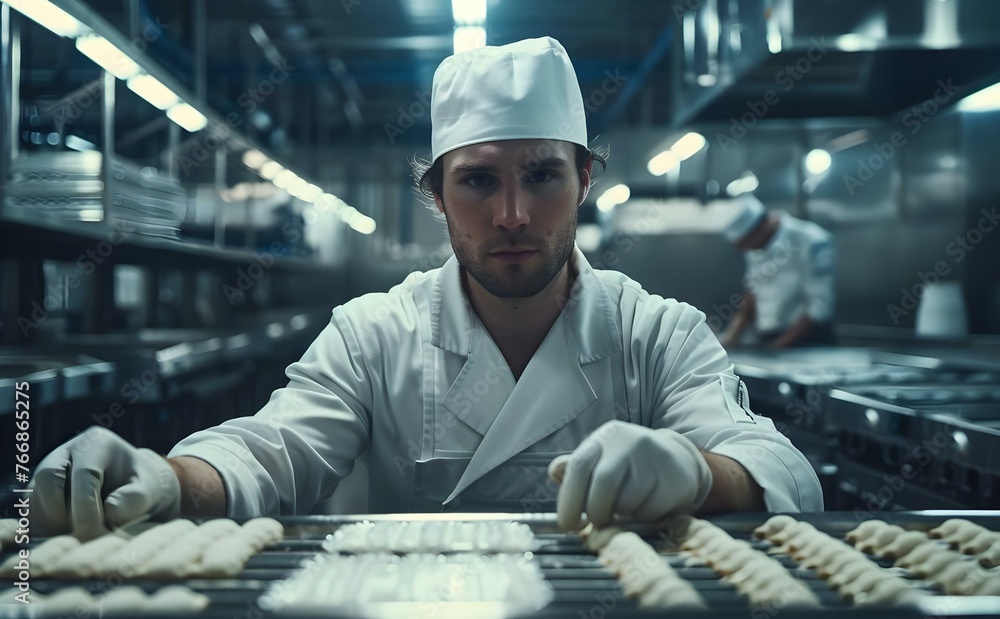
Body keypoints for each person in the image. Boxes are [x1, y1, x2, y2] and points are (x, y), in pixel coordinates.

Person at [32, 37, 823, 541]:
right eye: (479, 181)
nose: (513, 214)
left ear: (583, 180)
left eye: (542, 175)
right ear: (438, 194)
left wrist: (698, 470)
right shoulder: (374, 332)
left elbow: (782, 471)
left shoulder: (657, 332)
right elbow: (271, 451)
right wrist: (168, 478)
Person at [719, 195, 836, 349]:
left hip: (808, 342)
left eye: (746, 244)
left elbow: (819, 307)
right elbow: (753, 289)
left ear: (760, 229)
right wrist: (732, 335)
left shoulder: (811, 240)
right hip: (767, 337)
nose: (747, 250)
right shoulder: (756, 245)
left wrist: (777, 346)